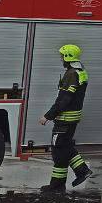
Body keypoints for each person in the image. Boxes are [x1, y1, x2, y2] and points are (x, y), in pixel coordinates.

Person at [39, 44, 92, 192]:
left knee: (59, 149)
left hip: (65, 119)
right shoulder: (80, 71)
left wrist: (48, 116)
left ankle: (75, 174)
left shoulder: (71, 74)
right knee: (64, 147)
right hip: (72, 118)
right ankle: (61, 182)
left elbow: (64, 99)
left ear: (68, 57)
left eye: (62, 56)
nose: (61, 58)